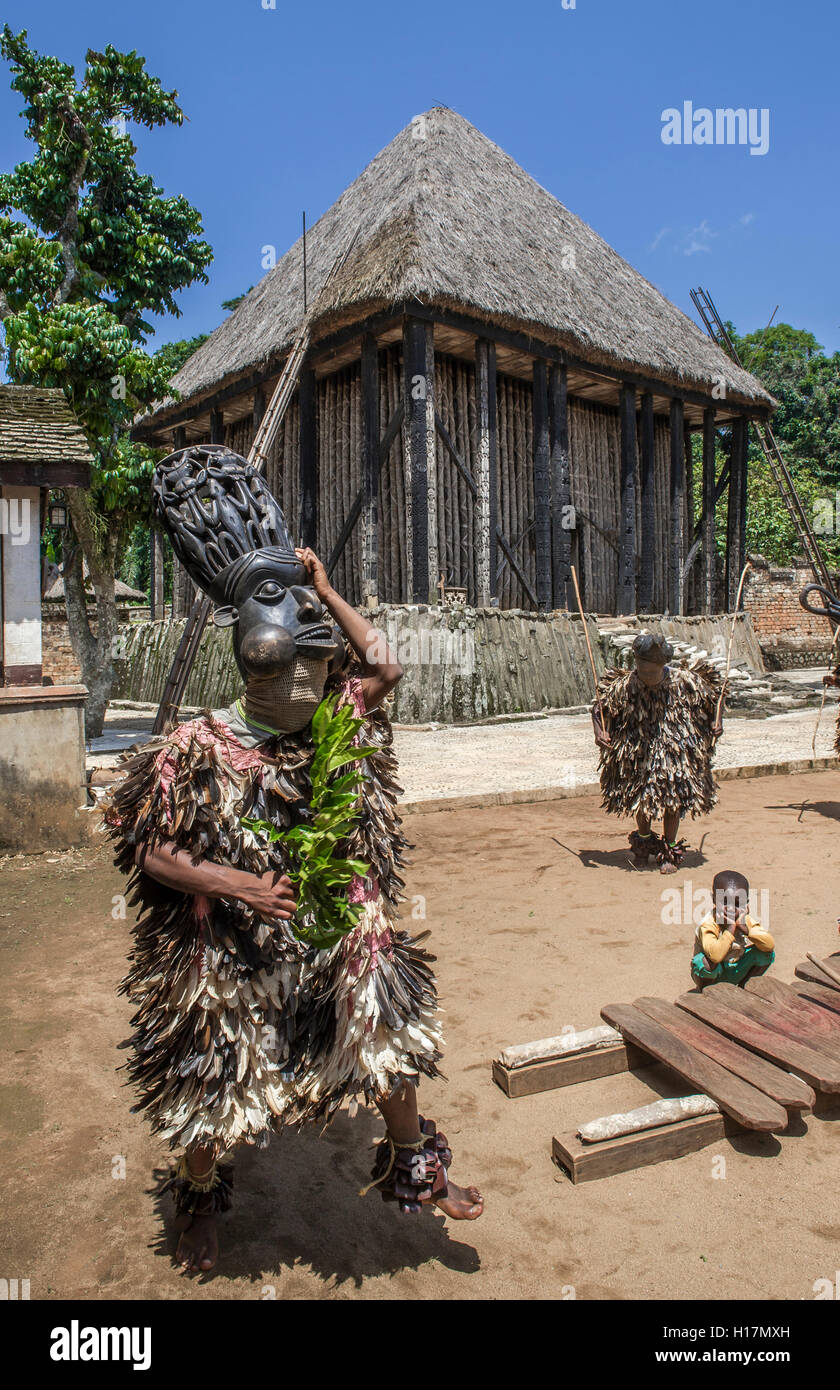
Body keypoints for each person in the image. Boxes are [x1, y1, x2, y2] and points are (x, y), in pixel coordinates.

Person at [106, 445, 482, 1274]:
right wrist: (239, 883)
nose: (311, 683)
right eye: (293, 666)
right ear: (252, 659)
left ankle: (414, 1165)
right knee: (212, 1080)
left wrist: (325, 582)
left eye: (318, 666)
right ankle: (202, 1196)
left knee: (384, 1025)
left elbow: (385, 661)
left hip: (335, 920)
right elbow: (151, 849)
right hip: (231, 941)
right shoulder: (194, 746)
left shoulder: (338, 720)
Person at [592, 632, 724, 873]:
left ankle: (669, 849)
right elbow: (599, 709)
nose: (646, 675)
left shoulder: (684, 681)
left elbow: (715, 699)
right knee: (642, 801)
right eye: (641, 668)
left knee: (672, 800)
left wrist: (717, 723)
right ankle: (643, 843)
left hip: (674, 750)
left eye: (651, 670)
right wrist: (599, 732)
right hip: (637, 750)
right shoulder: (626, 684)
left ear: (662, 666)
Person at [690, 869, 775, 989]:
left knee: (766, 953)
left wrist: (744, 928)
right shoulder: (708, 923)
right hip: (712, 975)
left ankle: (742, 988)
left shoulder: (744, 919)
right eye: (724, 901)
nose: (731, 908)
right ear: (714, 899)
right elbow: (715, 956)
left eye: (737, 903)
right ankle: (707, 992)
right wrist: (731, 928)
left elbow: (769, 944)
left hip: (735, 968)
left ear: (746, 903)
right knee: (704, 963)